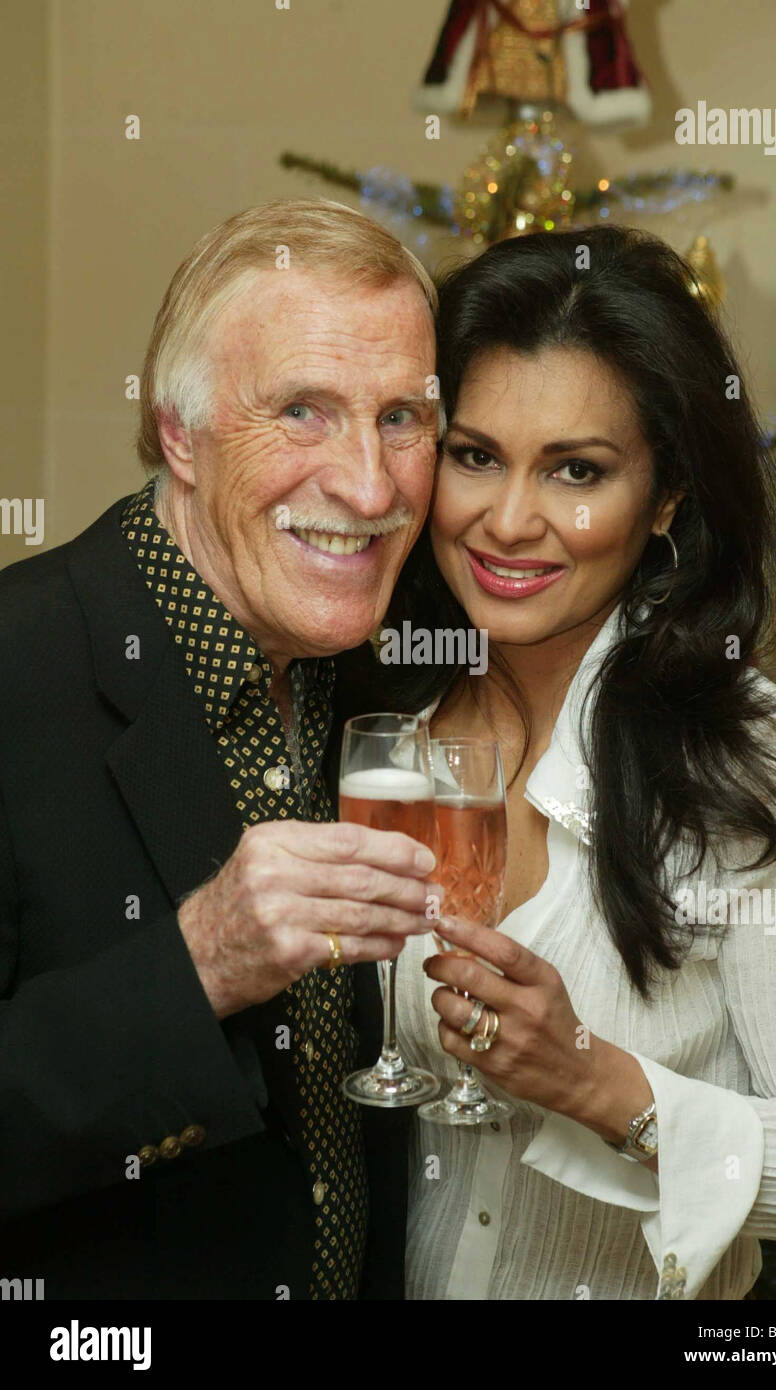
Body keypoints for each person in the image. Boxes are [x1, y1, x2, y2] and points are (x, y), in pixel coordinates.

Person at [370, 226, 776, 1299]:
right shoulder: (380, 722)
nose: (508, 521)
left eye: (576, 471)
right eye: (473, 455)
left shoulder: (746, 762)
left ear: (666, 497)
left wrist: (598, 1083)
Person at [0, 199, 441, 1300]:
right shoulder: (22, 661)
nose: (369, 486)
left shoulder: (389, 675)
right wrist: (195, 963)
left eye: (401, 417)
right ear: (179, 434)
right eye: (301, 410)